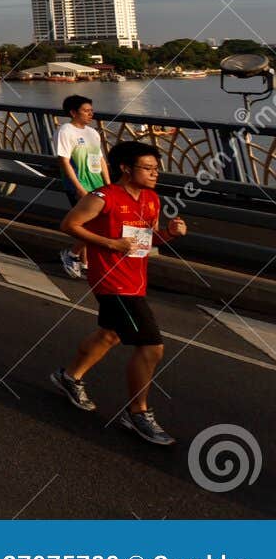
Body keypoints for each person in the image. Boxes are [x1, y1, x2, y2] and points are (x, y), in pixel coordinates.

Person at [49, 141, 188, 445]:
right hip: (112, 283)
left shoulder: (151, 199)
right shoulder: (104, 197)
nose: (155, 174)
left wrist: (168, 234)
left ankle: (69, 376)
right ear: (126, 168)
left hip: (135, 280)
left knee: (109, 335)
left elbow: (146, 242)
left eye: (156, 168)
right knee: (152, 347)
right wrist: (109, 244)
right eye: (148, 168)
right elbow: (69, 224)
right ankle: (138, 413)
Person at [55, 94, 109, 280]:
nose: (90, 114)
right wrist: (78, 187)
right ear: (73, 112)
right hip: (79, 185)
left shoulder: (93, 133)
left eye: (91, 110)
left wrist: (108, 184)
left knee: (91, 225)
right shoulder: (65, 131)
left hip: (98, 185)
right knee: (89, 225)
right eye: (85, 111)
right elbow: (63, 161)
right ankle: (71, 254)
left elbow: (100, 159)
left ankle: (85, 263)